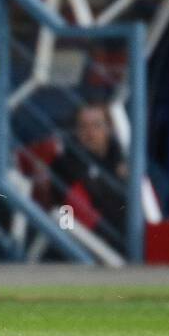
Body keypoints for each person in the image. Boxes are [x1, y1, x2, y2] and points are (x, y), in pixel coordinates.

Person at [51, 103, 127, 244]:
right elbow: (66, 214)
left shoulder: (122, 159)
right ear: (76, 131)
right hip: (86, 236)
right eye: (83, 127)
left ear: (109, 129)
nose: (90, 133)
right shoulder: (65, 163)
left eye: (97, 125)